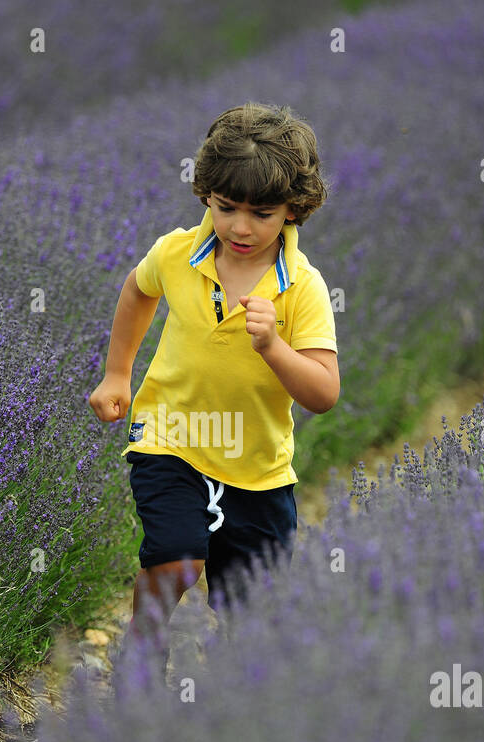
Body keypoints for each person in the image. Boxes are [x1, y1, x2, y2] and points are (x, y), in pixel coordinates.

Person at [88, 102, 339, 686]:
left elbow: (324, 393)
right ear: (205, 195)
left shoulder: (302, 288)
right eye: (226, 209)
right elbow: (137, 291)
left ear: (294, 210)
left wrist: (275, 348)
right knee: (175, 555)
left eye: (262, 213)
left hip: (259, 466)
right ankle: (142, 664)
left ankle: (231, 701)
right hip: (172, 435)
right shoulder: (177, 252)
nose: (240, 228)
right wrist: (118, 374)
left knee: (250, 609)